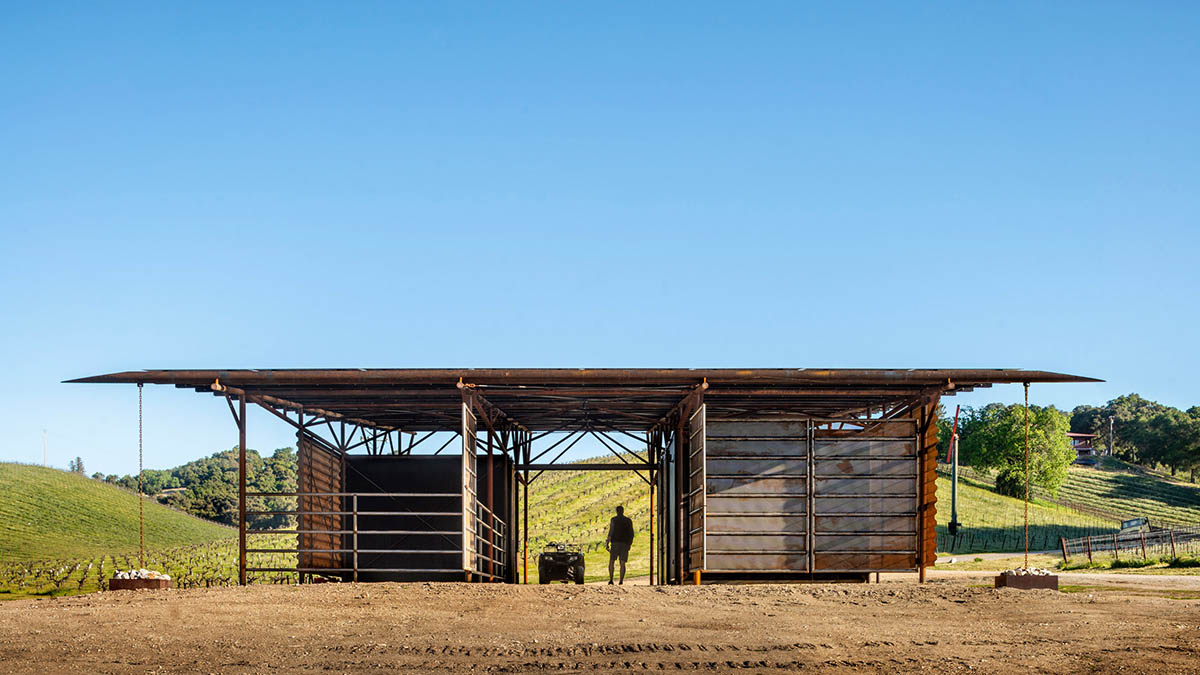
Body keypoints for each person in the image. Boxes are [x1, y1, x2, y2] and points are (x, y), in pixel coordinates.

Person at [605, 505, 635, 585]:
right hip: (624, 544)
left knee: (612, 561)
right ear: (623, 511)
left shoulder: (614, 520)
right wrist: (629, 544)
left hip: (615, 543)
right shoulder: (628, 520)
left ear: (616, 511)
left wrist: (607, 542)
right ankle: (621, 581)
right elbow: (631, 533)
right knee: (622, 563)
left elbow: (611, 531)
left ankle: (611, 579)